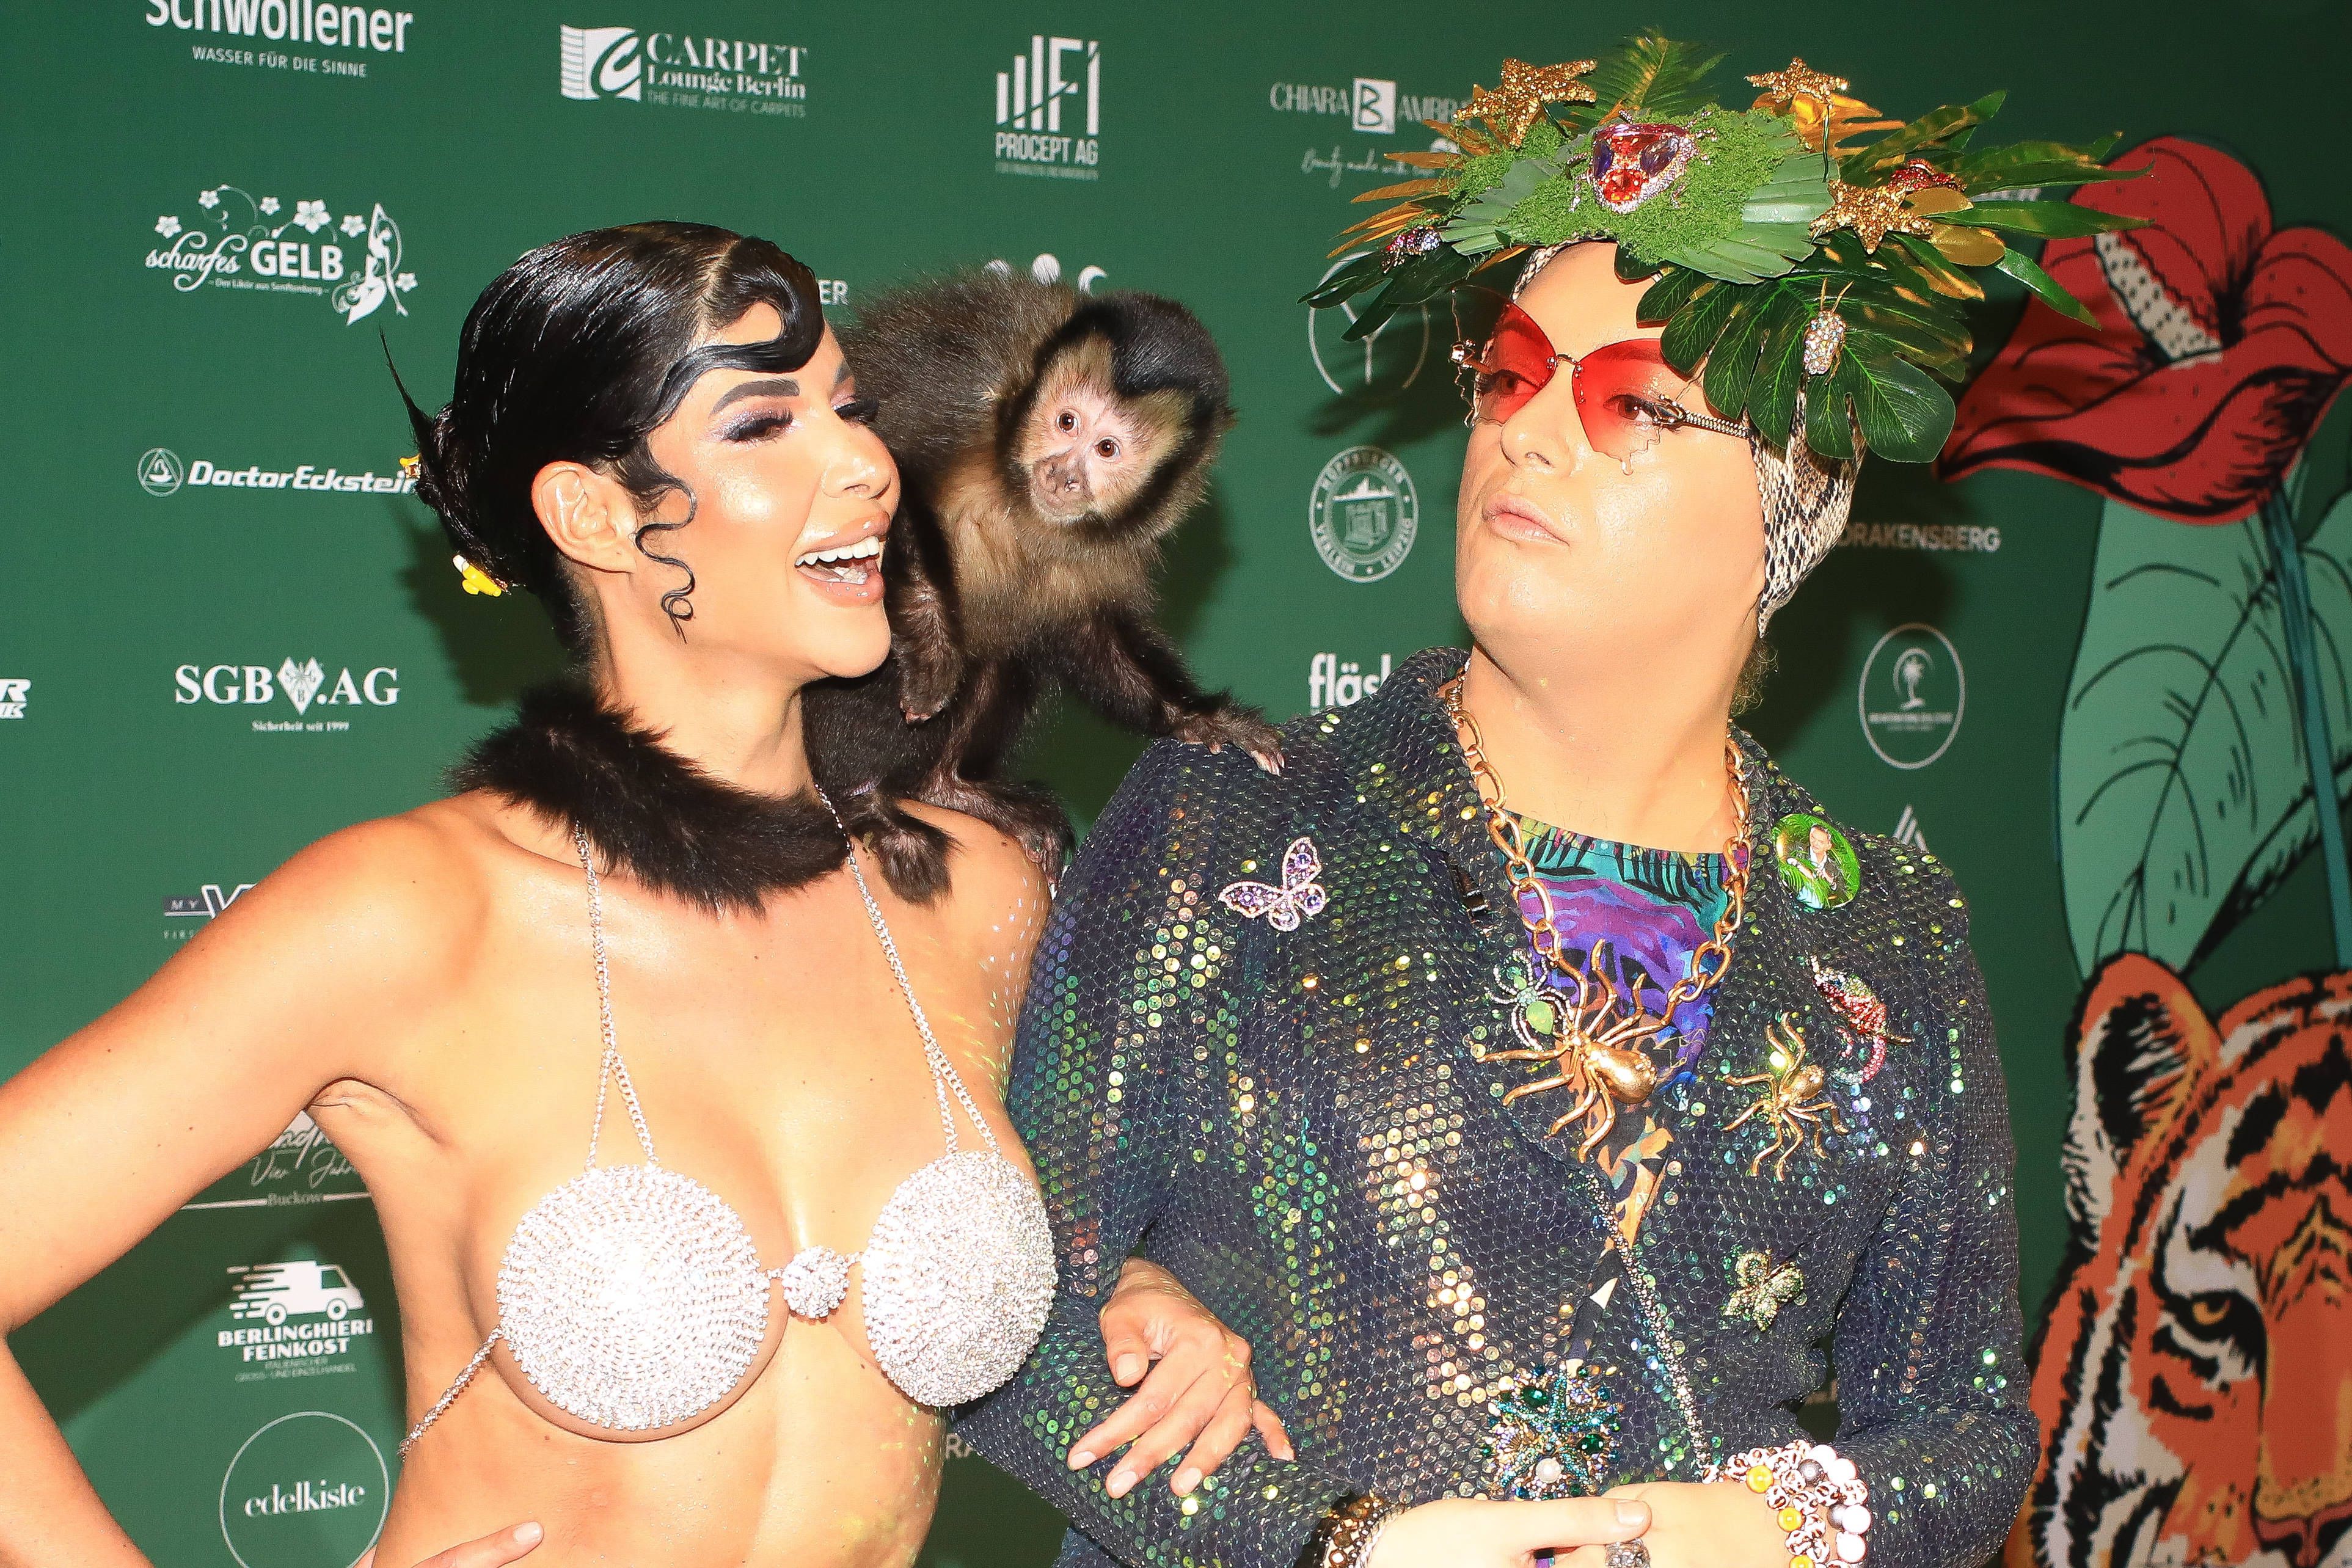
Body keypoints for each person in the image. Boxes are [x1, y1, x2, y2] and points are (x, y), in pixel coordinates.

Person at [962, 39, 2139, 1568]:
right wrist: (1331, 1544)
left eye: (1628, 404)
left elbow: (1966, 1434)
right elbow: (991, 1313)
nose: (1526, 429)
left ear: (1790, 501)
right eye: (1509, 375)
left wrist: (1764, 1526)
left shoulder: (1884, 934)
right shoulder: (1234, 817)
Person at [0, 222, 1280, 1568]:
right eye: (762, 425)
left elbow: (1048, 1247)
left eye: (849, 408)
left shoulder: (980, 897)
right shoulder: (409, 915)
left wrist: (1146, 1297)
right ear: (593, 515)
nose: (863, 464)